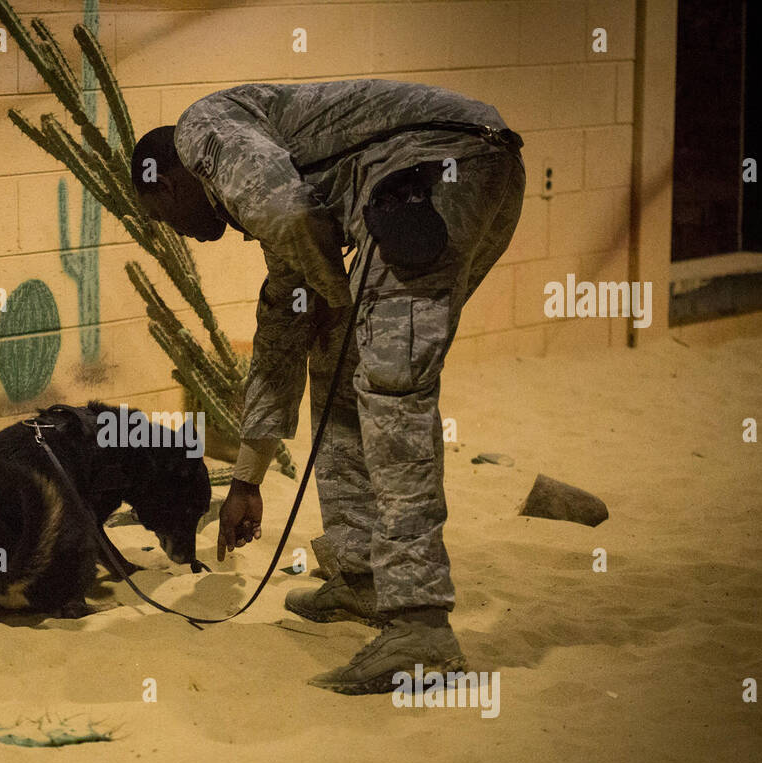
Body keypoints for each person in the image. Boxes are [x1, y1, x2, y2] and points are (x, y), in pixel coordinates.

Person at [131, 78, 525, 694]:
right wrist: (246, 481)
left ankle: (420, 627)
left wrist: (333, 293)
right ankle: (362, 573)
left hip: (430, 172)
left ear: (171, 180)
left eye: (162, 214)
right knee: (338, 357)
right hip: (465, 167)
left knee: (393, 385)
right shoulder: (271, 191)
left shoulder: (201, 129)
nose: (175, 231)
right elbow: (280, 338)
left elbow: (288, 212)